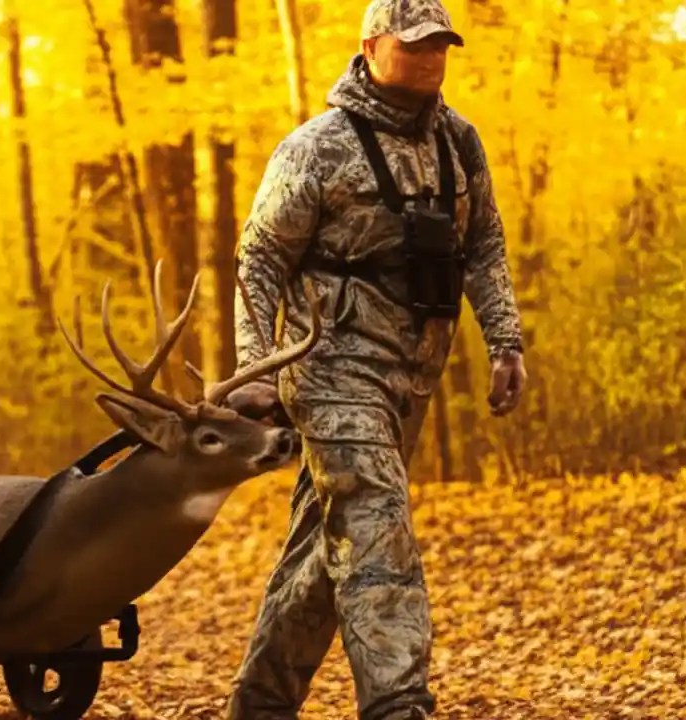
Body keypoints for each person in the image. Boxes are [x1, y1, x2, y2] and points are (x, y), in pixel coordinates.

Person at [220, 0, 528, 718]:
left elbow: (482, 245)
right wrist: (255, 367)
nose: (430, 56)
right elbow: (259, 258)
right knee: (377, 526)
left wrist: (506, 341)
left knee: (327, 554)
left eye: (441, 44)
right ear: (370, 46)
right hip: (330, 369)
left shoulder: (460, 142)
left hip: (412, 375)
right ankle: (399, 703)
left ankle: (258, 705)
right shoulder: (316, 148)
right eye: (414, 42)